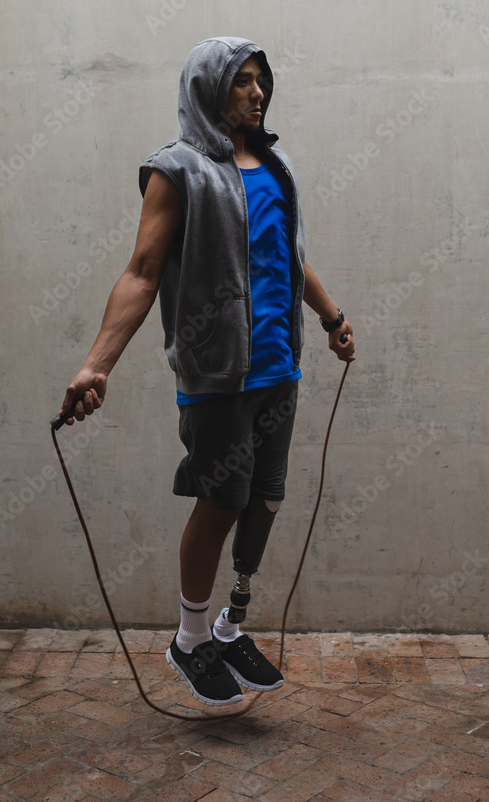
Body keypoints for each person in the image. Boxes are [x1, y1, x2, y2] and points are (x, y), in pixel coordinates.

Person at [58, 36, 355, 706]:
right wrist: (96, 365)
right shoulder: (177, 169)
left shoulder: (275, 166)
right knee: (219, 502)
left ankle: (228, 625)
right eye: (240, 81)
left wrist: (333, 319)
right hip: (218, 375)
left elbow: (290, 254)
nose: (255, 92)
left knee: (265, 499)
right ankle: (189, 638)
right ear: (206, 89)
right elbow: (141, 272)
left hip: (281, 370)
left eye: (260, 81)